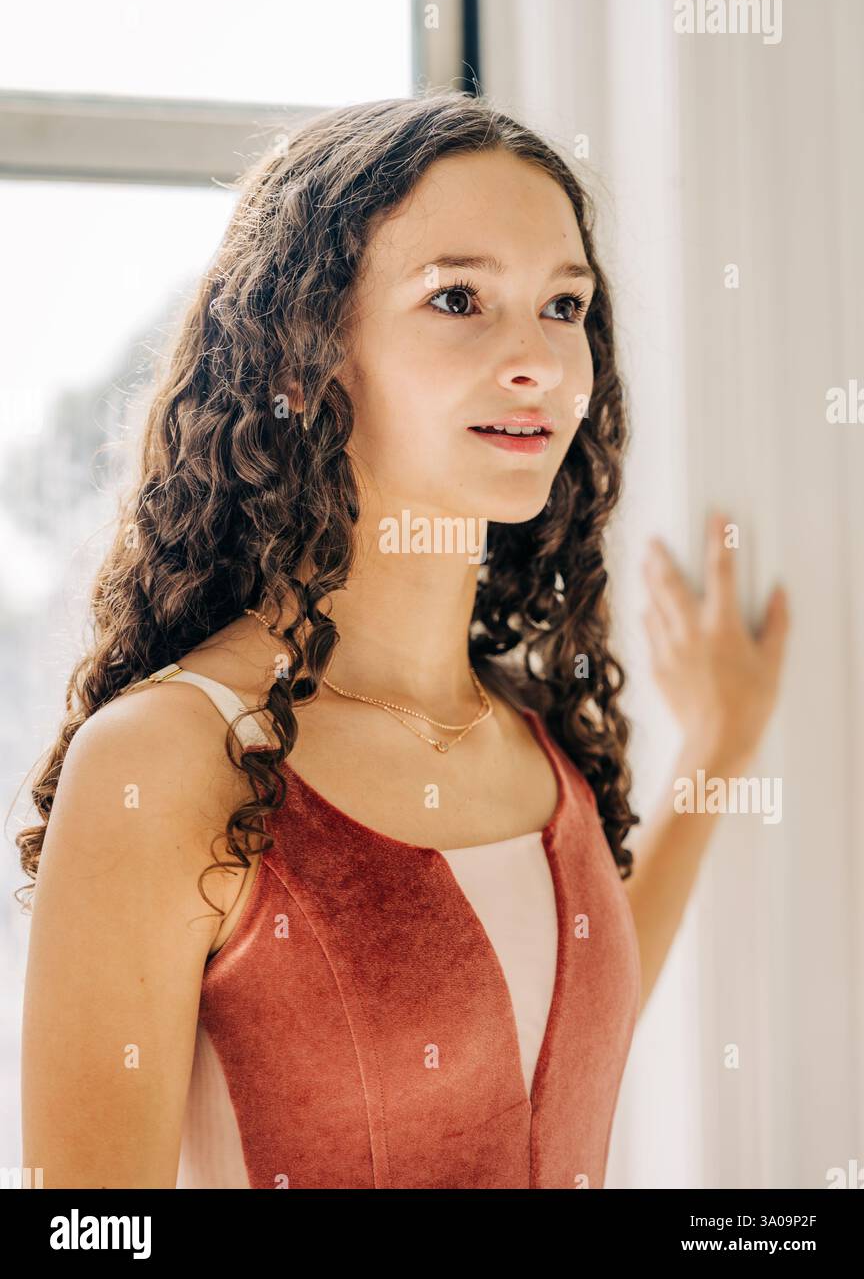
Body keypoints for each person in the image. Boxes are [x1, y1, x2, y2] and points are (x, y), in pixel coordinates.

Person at [18, 90, 789, 1189]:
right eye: (458, 298)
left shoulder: (524, 735)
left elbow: (559, 1036)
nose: (537, 362)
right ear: (305, 360)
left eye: (563, 307)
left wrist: (719, 750)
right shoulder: (169, 760)